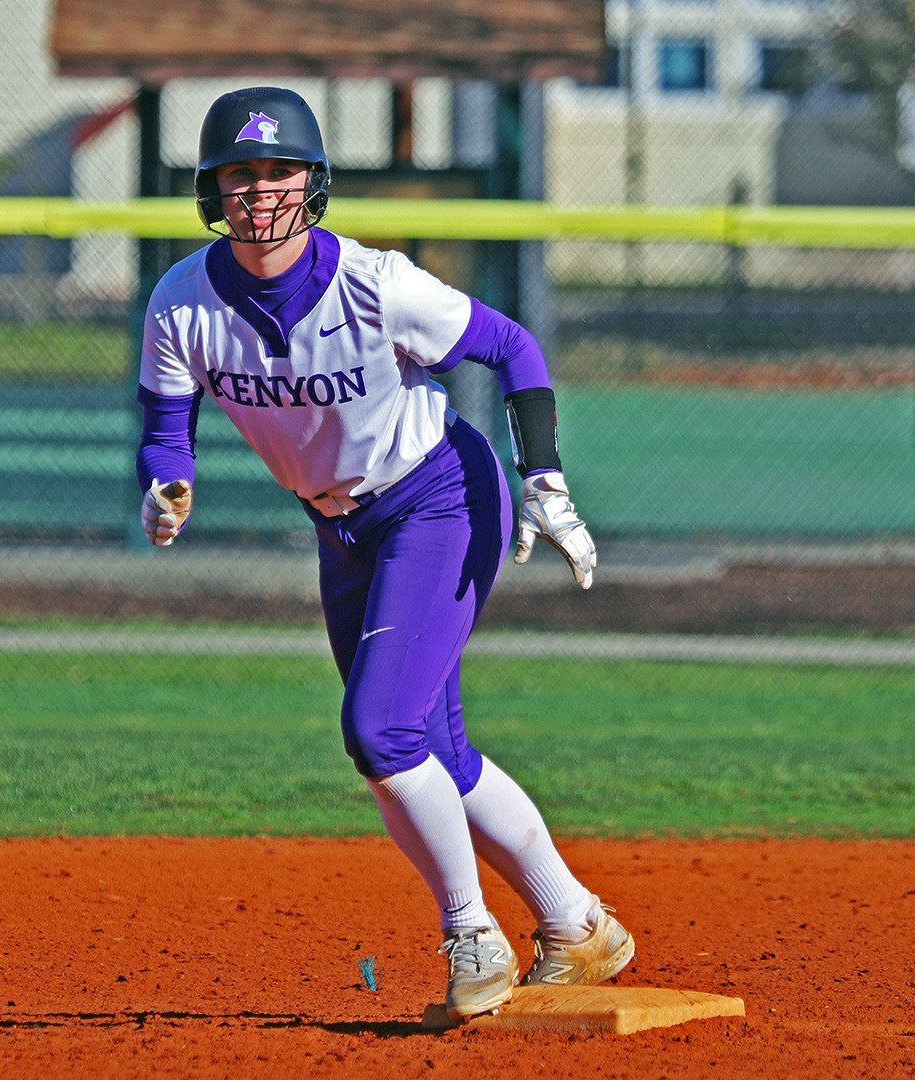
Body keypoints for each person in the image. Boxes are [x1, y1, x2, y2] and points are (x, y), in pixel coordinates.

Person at [134, 86, 632, 1021]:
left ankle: (473, 938)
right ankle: (578, 925)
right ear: (211, 190)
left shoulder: (374, 283)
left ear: (312, 183)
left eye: (278, 170)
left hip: (440, 494)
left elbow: (514, 348)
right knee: (429, 745)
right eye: (239, 174)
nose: (260, 191)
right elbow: (167, 428)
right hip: (342, 528)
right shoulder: (181, 302)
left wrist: (547, 480)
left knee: (380, 732)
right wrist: (167, 483)